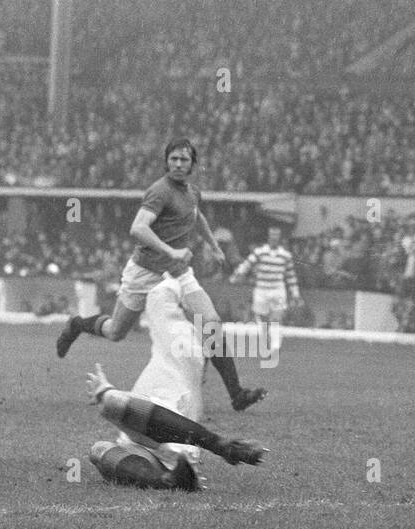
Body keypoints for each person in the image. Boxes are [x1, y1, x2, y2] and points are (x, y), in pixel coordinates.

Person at [56, 139, 267, 412]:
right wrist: (171, 251)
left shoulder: (192, 192)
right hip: (146, 271)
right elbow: (138, 228)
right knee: (116, 331)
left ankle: (236, 394)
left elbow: (195, 215)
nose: (178, 164)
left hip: (178, 273)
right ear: (167, 162)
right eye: (174, 159)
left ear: (193, 164)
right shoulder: (159, 191)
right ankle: (77, 325)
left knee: (211, 322)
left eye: (184, 160)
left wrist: (213, 246)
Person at [84, 276, 267, 491]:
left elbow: (205, 320)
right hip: (161, 445)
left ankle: (220, 447)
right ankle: (167, 479)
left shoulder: (168, 295)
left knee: (110, 401)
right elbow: (211, 329)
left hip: (170, 426)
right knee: (98, 449)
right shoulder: (189, 340)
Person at [229, 226, 301, 355]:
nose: (274, 237)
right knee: (262, 319)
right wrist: (237, 274)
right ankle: (267, 339)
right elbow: (247, 264)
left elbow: (290, 275)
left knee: (276, 317)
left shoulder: (286, 255)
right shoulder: (259, 252)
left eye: (276, 235)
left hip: (278, 289)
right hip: (261, 290)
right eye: (272, 235)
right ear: (268, 236)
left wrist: (295, 293)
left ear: (279, 237)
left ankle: (275, 347)